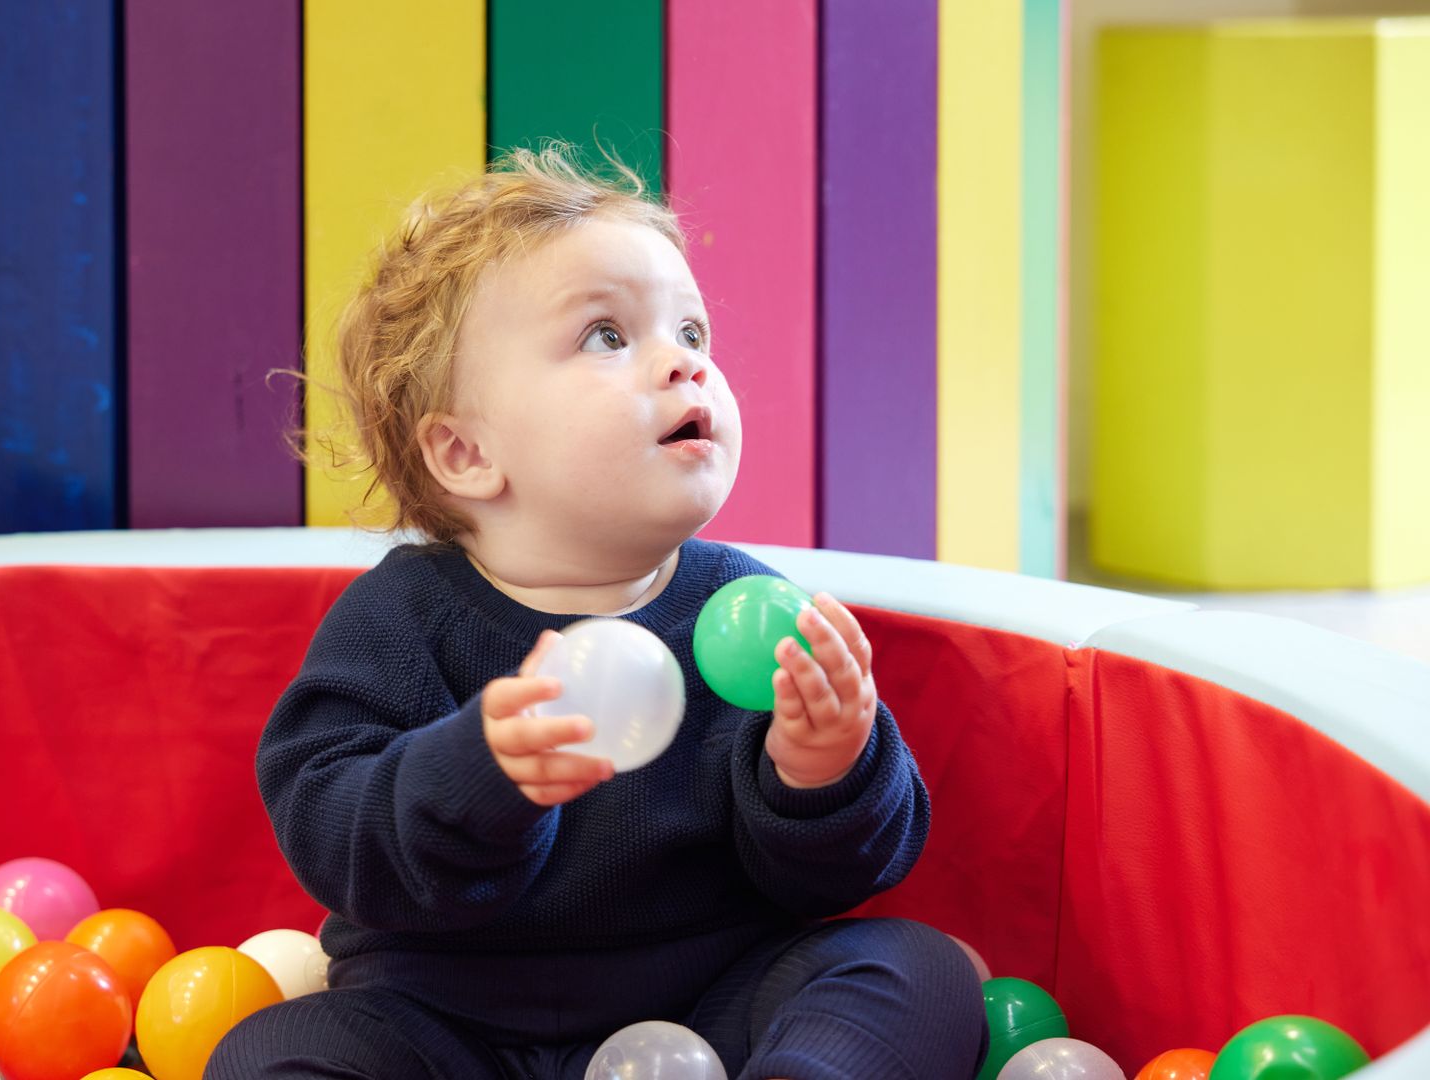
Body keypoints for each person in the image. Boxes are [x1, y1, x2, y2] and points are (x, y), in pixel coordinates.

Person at [211, 145, 987, 1080]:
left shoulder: (745, 611)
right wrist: (479, 772)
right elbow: (331, 834)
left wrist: (821, 771)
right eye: (607, 337)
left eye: (692, 333)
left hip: (712, 1007)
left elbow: (840, 876)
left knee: (915, 969)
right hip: (450, 1024)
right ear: (464, 453)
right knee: (273, 1052)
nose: (683, 366)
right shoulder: (401, 620)